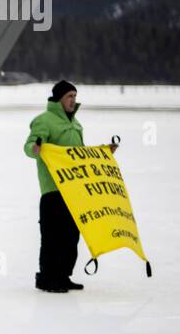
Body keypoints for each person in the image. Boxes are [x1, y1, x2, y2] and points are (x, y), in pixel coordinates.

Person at [24, 79, 117, 293]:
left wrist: (104, 152)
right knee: (52, 237)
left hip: (74, 190)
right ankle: (47, 278)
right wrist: (35, 149)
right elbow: (29, 145)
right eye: (69, 96)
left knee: (70, 236)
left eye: (75, 96)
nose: (73, 100)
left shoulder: (76, 124)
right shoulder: (43, 121)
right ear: (59, 99)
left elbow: (81, 155)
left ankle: (63, 276)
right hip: (53, 190)